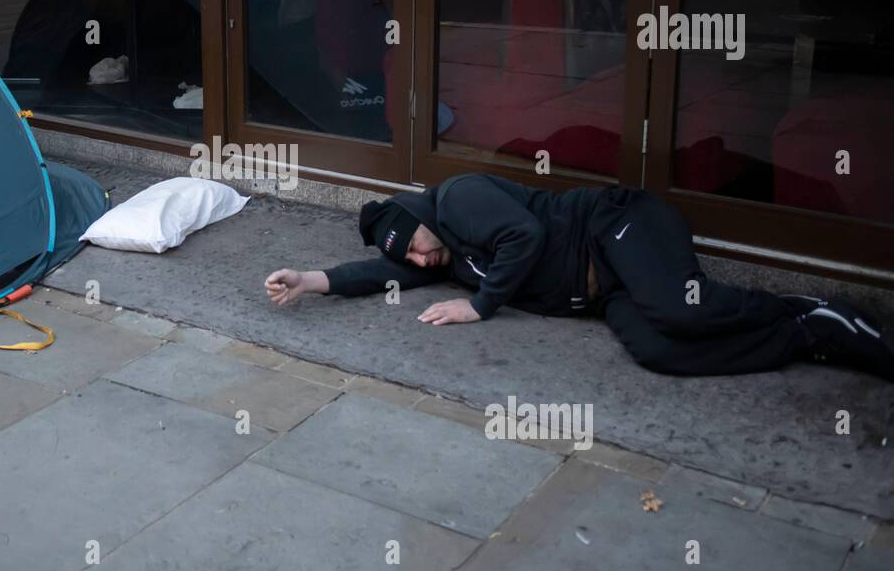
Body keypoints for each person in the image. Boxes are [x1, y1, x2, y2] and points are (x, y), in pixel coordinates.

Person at [264, 174, 894, 380]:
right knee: (659, 351)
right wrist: (311, 279)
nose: (425, 264)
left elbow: (527, 235)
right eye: (416, 263)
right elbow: (379, 271)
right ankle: (804, 333)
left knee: (684, 311)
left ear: (423, 218)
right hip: (602, 293)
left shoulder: (457, 200)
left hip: (615, 228)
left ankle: (813, 307)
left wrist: (480, 307)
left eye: (421, 249)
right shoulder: (439, 254)